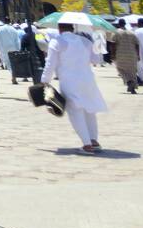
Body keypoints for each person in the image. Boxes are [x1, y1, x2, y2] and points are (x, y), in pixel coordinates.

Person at [41, 22, 107, 153]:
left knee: (75, 110)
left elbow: (50, 63)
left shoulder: (57, 42)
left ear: (59, 28)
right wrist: (98, 39)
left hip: (69, 80)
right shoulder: (85, 41)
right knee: (90, 109)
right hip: (87, 79)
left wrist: (44, 81)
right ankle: (93, 140)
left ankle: (86, 144)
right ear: (73, 28)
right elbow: (97, 60)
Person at [109, 20, 140, 94]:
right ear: (125, 24)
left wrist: (112, 54)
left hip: (120, 54)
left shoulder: (116, 32)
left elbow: (113, 44)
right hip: (132, 55)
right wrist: (138, 55)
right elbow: (137, 45)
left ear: (119, 24)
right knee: (132, 71)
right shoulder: (132, 33)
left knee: (121, 69)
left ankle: (129, 82)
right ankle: (133, 87)